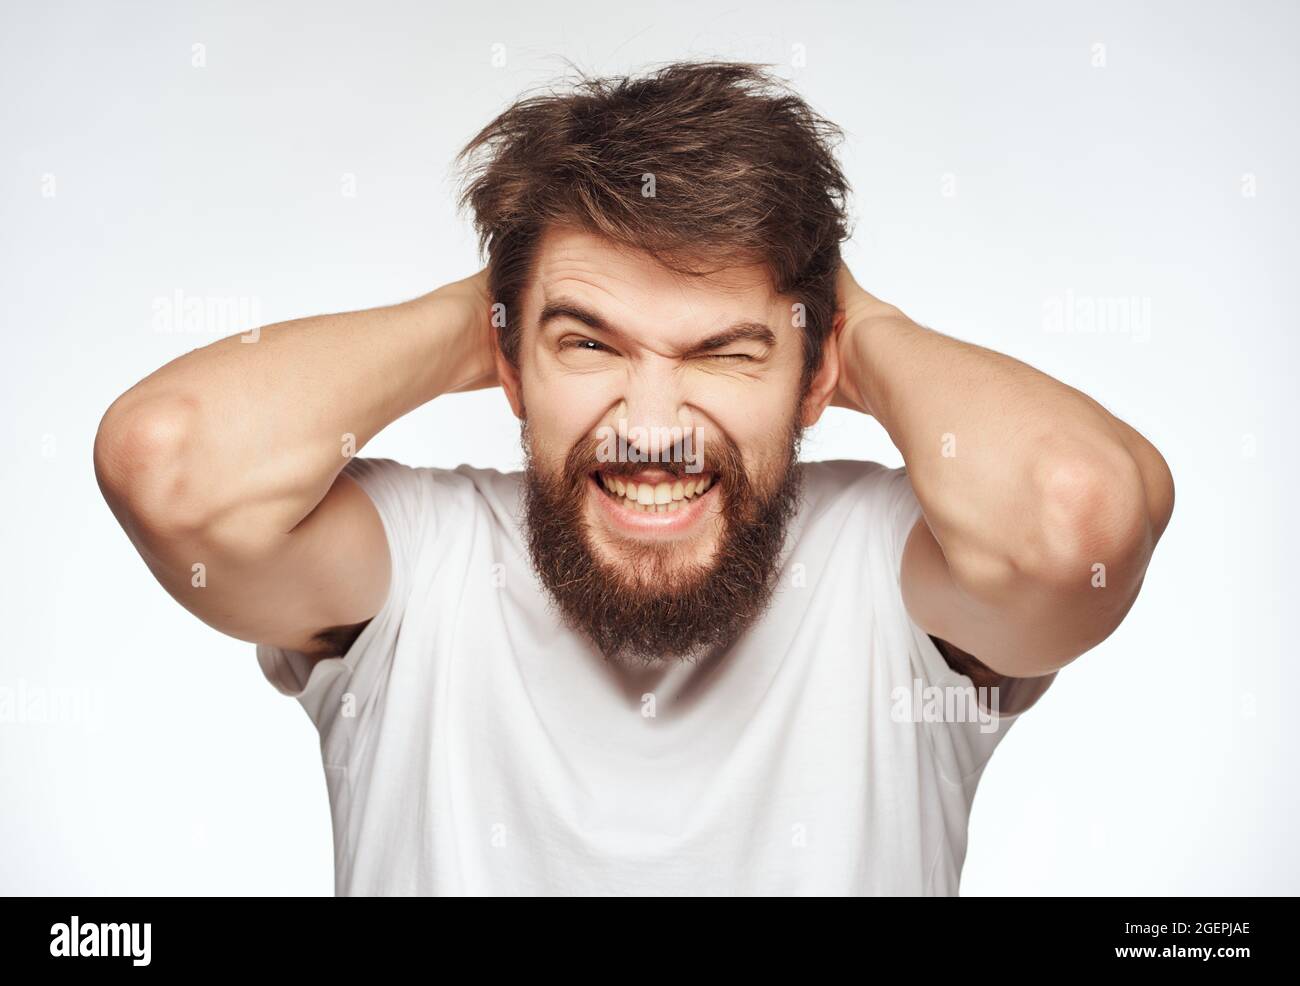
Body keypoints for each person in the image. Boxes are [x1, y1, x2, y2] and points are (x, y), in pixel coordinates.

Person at [93, 61, 1174, 895]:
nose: (651, 428)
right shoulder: (419, 566)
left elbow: (1074, 518)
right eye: (592, 345)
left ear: (816, 377)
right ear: (508, 361)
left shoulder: (885, 575)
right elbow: (169, 465)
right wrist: (507, 309)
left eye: (725, 351)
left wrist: (865, 331)